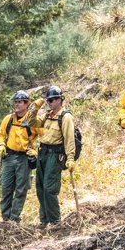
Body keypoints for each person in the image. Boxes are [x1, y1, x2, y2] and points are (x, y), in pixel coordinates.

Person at [32, 86, 77, 229]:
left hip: (55, 154)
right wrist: (34, 108)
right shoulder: (46, 115)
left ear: (59, 100)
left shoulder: (65, 116)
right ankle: (44, 220)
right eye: (48, 100)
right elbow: (30, 123)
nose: (50, 102)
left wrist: (70, 158)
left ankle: (56, 221)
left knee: (49, 188)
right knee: (40, 187)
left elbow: (69, 138)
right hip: (42, 153)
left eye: (52, 100)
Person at [0, 90, 38, 222]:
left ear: (26, 104)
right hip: (9, 157)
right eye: (16, 102)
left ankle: (14, 218)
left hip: (24, 159)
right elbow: (1, 134)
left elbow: (42, 136)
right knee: (6, 188)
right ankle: (5, 218)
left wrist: (35, 151)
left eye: (20, 102)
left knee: (21, 189)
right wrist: (1, 145)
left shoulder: (32, 121)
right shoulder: (8, 119)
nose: (17, 104)